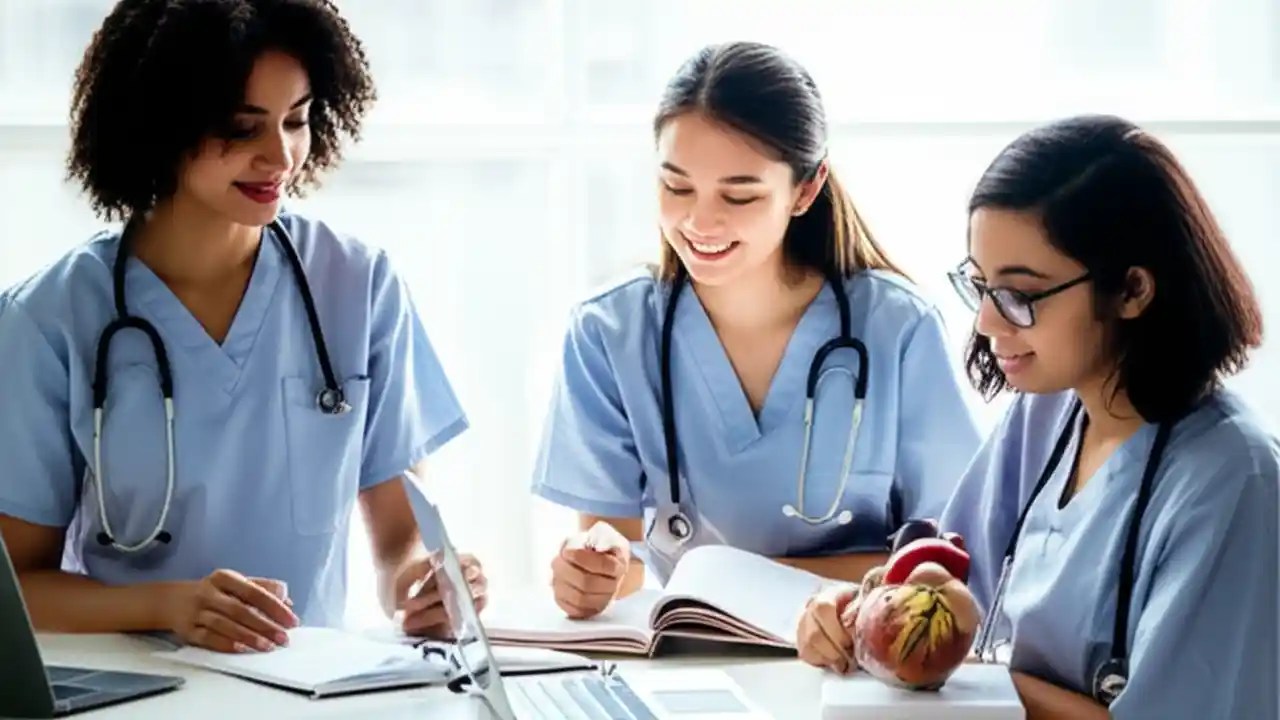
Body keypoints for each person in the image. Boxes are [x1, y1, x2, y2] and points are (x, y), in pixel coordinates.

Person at [0, 0, 487, 654]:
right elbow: (16, 583)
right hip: (136, 685)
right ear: (159, 123)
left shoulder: (359, 287)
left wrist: (425, 587)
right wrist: (167, 606)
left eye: (297, 120)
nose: (280, 155)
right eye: (241, 127)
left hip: (313, 685)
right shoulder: (49, 319)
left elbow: (400, 543)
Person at [795, 114, 1278, 718]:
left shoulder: (1234, 482)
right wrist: (862, 612)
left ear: (1132, 290)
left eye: (1019, 296)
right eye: (981, 286)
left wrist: (991, 688)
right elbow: (946, 585)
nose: (986, 322)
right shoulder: (1047, 413)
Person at [532, 41, 983, 620]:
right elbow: (620, 560)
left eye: (739, 194)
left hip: (855, 651)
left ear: (806, 189)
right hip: (695, 651)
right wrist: (592, 576)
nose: (699, 221)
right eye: (676, 187)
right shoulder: (609, 332)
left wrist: (740, 581)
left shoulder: (898, 329)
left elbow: (946, 562)